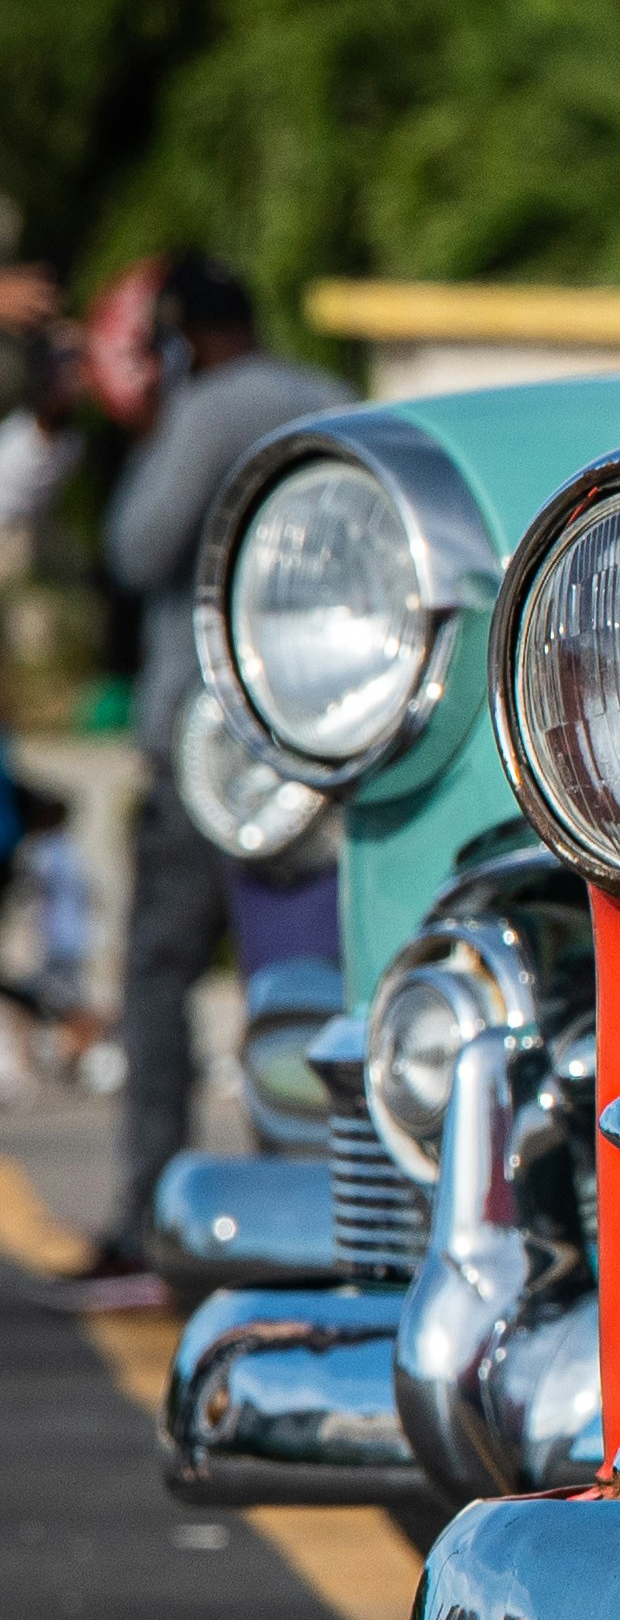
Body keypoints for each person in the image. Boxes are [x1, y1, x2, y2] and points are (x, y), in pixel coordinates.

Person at [84, 252, 339, 1288]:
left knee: (158, 977)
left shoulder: (213, 408)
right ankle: (329, 1213)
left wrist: (154, 427)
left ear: (184, 337)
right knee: (312, 984)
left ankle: (150, 1221)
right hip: (316, 749)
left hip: (209, 754)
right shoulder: (326, 397)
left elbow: (137, 547)